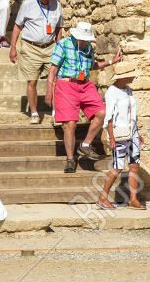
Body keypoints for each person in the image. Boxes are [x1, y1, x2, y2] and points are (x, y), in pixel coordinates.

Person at [48, 21, 123, 173]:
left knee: (102, 112)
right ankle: (70, 159)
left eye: (86, 39)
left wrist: (111, 61)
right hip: (66, 84)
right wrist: (50, 91)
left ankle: (86, 144)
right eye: (81, 39)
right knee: (70, 123)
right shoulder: (63, 44)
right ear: (75, 36)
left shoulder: (88, 47)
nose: (83, 42)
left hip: (85, 84)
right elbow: (53, 69)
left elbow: (92, 66)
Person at [9, 0, 62, 124]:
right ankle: (34, 112)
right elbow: (17, 26)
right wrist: (13, 48)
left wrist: (59, 48)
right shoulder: (27, 4)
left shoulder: (57, 5)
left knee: (56, 79)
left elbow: (58, 28)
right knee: (32, 81)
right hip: (31, 47)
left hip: (50, 46)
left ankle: (55, 111)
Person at [99, 69, 144, 211]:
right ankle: (103, 197)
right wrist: (111, 137)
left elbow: (131, 113)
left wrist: (137, 132)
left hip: (132, 133)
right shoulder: (112, 92)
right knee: (118, 167)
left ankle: (133, 199)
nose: (133, 77)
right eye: (130, 75)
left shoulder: (128, 90)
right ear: (122, 77)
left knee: (134, 165)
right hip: (118, 134)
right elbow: (109, 116)